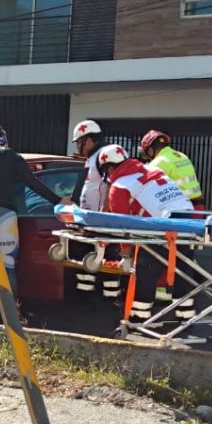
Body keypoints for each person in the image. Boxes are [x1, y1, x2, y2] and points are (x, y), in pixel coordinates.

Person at [0, 125, 69, 322]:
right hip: (5, 214)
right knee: (7, 264)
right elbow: (32, 183)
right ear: (5, 141)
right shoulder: (14, 159)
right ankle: (13, 313)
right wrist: (58, 200)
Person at [97, 144, 196, 323]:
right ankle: (185, 316)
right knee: (182, 268)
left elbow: (124, 226)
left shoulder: (119, 186)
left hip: (162, 225)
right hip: (189, 220)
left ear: (110, 168)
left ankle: (141, 317)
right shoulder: (153, 169)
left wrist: (126, 256)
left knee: (145, 269)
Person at [139, 130, 204, 304]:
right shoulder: (180, 156)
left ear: (150, 148)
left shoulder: (159, 162)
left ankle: (164, 293)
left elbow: (149, 189)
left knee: (162, 253)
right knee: (185, 253)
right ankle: (183, 292)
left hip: (176, 213)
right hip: (196, 210)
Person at [68, 120, 121, 301]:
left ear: (88, 140)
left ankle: (110, 301)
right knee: (87, 256)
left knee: (108, 260)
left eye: (78, 142)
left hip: (101, 222)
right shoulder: (93, 157)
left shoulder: (104, 156)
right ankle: (86, 297)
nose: (77, 146)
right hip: (90, 221)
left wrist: (103, 213)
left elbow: (111, 185)